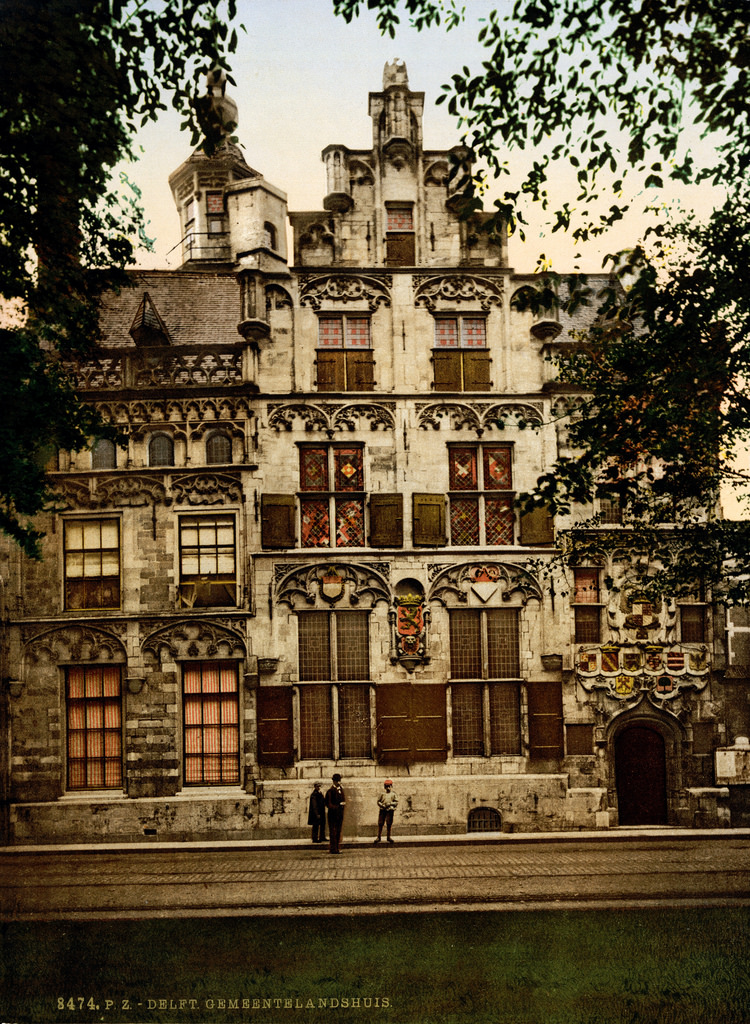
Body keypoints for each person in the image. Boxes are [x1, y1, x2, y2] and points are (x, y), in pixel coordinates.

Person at [325, 773, 346, 854]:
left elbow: (343, 799)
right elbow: (328, 804)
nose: (339, 782)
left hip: (339, 814)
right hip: (333, 815)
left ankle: (337, 847)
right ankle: (333, 849)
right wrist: (338, 806)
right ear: (334, 781)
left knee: (338, 832)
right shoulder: (330, 791)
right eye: (337, 781)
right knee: (333, 832)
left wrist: (344, 803)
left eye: (339, 781)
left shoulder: (340, 789)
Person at [374, 779, 398, 845]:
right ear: (384, 787)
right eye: (386, 786)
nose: (388, 788)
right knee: (380, 823)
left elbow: (396, 802)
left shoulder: (393, 794)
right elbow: (378, 801)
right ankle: (378, 837)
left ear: (391, 786)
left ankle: (388, 837)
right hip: (382, 810)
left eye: (389, 786)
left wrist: (390, 803)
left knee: (389, 823)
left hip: (390, 810)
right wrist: (382, 805)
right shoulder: (382, 794)